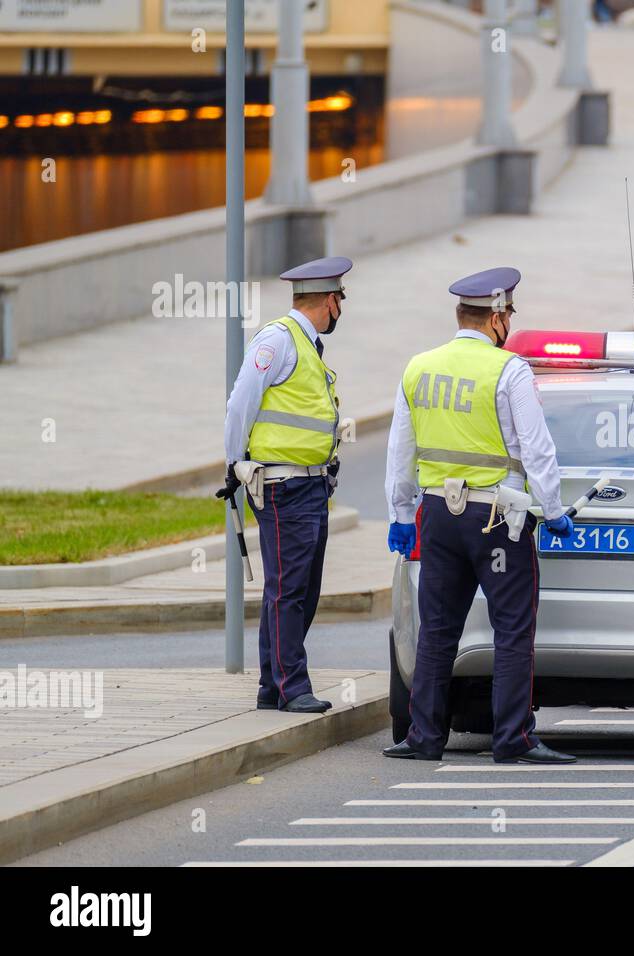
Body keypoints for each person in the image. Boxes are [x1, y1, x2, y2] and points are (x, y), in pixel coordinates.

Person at [382, 267, 577, 765]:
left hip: (436, 516)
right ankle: (512, 738)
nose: (507, 323)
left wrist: (401, 514)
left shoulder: (418, 368)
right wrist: (553, 510)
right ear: (496, 318)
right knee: (512, 629)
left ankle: (425, 738)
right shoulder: (508, 370)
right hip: (497, 519)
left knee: (438, 629)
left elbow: (400, 451)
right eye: (507, 314)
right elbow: (538, 451)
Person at [219, 256, 351, 714]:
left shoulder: (306, 346)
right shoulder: (278, 340)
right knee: (288, 590)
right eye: (340, 302)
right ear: (330, 302)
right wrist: (234, 461)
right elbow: (241, 403)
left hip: (311, 487)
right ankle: (292, 685)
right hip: (282, 487)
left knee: (297, 589)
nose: (340, 311)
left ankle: (271, 685)